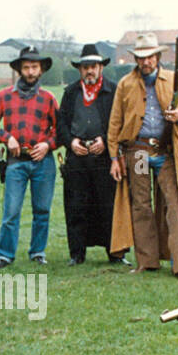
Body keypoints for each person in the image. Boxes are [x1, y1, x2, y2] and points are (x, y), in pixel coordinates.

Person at [107, 32, 178, 279]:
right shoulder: (125, 84)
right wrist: (115, 157)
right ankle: (147, 261)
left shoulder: (175, 80)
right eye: (141, 58)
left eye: (150, 57)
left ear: (158, 56)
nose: (146, 62)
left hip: (166, 152)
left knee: (174, 205)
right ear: (136, 59)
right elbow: (115, 123)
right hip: (138, 153)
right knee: (141, 206)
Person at [0, 46, 59, 267]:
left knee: (42, 210)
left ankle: (38, 251)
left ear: (41, 70)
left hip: (42, 162)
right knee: (11, 211)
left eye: (34, 67)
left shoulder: (48, 98)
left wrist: (47, 145)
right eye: (26, 67)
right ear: (19, 70)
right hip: (16, 162)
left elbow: (60, 130)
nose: (31, 72)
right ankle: (5, 254)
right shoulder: (4, 96)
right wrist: (7, 138)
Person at [57, 43, 126, 266]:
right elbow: (61, 124)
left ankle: (115, 253)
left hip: (104, 158)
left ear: (101, 68)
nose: (90, 71)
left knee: (108, 207)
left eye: (94, 66)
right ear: (80, 69)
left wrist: (105, 140)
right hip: (77, 157)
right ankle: (77, 254)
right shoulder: (70, 92)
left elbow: (120, 121)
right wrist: (71, 141)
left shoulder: (113, 90)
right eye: (86, 67)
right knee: (76, 206)